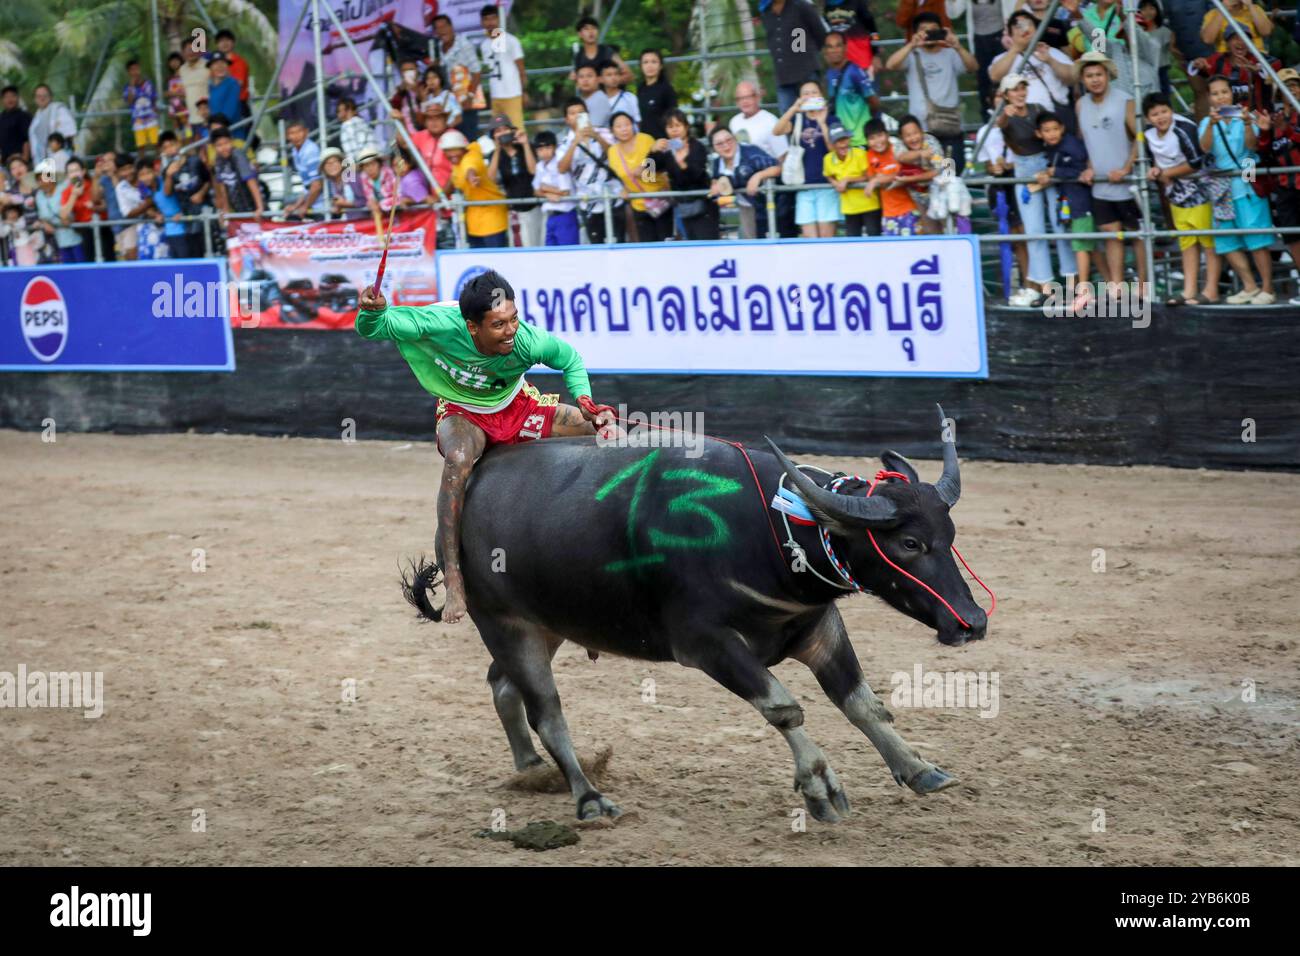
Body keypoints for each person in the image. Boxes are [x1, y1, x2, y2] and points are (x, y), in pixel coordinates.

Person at [354, 269, 614, 623]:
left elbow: (569, 359)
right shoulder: (437, 323)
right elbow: (374, 328)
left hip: (518, 407)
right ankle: (454, 577)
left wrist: (585, 400)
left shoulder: (527, 341)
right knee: (458, 459)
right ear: (472, 326)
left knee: (606, 432)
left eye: (514, 319)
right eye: (498, 325)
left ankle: (609, 566)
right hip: (463, 413)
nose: (510, 332)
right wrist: (371, 311)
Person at [997, 74, 1072, 305]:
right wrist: (1002, 114)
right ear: (1006, 95)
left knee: (1060, 223)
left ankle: (1072, 284)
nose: (1019, 93)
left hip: (1047, 165)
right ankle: (1047, 288)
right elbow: (998, 126)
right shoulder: (1004, 117)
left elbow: (1055, 131)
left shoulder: (1037, 107)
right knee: (1034, 230)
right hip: (1024, 170)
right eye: (1014, 90)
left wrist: (1053, 168)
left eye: (1022, 88)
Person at [1199, 75, 1275, 304]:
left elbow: (1252, 147)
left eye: (1224, 92)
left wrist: (1246, 124)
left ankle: (1268, 289)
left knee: (1256, 235)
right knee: (1226, 239)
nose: (1220, 97)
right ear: (1209, 98)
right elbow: (1205, 148)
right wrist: (1212, 125)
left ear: (1232, 94)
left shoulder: (1247, 116)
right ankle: (1250, 286)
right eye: (1215, 93)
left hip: (1246, 174)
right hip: (1221, 183)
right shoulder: (1206, 122)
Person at [1075, 52, 1146, 293]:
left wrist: (1127, 167)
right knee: (1111, 234)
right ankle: (1116, 285)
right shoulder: (1080, 104)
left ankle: (1144, 285)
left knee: (1137, 235)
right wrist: (1088, 168)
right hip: (1100, 183)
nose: (1095, 80)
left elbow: (1140, 136)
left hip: (1127, 181)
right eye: (1089, 75)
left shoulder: (1124, 99)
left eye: (1098, 74)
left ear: (1108, 75)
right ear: (1083, 79)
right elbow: (1086, 142)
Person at [1143, 92, 1220, 305]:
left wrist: (1168, 174)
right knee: (1186, 243)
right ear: (1148, 118)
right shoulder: (1147, 135)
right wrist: (1155, 171)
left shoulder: (1183, 129)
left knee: (1207, 242)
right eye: (1155, 114)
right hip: (1175, 196)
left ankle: (1211, 290)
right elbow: (1152, 162)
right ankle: (1189, 290)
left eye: (1164, 111)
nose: (1161, 117)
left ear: (1172, 111)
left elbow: (1196, 162)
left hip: (1199, 191)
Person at [884, 13, 977, 173]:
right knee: (928, 175)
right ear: (916, 33)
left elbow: (973, 67)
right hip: (921, 134)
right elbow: (890, 65)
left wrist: (957, 46)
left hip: (950, 130)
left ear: (942, 31)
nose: (929, 34)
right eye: (924, 31)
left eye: (934, 30)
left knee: (950, 174)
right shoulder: (912, 55)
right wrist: (911, 45)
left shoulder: (951, 53)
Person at [1035, 111, 1095, 309]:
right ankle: (1094, 288)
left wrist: (1055, 172)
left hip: (1080, 202)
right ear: (1039, 133)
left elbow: (1080, 171)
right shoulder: (1056, 148)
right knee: (1085, 246)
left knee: (1081, 245)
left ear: (1062, 129)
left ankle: (1084, 291)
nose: (1051, 134)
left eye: (1054, 129)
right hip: (1071, 202)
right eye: (1047, 130)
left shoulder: (1071, 146)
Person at [974, 101, 1031, 295]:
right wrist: (994, 167)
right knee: (1013, 239)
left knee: (1027, 234)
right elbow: (987, 166)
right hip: (999, 187)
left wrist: (1011, 167)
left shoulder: (1022, 124)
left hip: (1021, 182)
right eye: (997, 98)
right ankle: (1023, 286)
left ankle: (1034, 284)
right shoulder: (985, 131)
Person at [989, 12, 1075, 134]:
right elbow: (994, 76)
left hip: (1056, 119)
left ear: (1036, 29)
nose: (1024, 29)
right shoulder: (1003, 58)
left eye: (1028, 23)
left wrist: (1050, 60)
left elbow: (1072, 78)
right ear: (1010, 33)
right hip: (1025, 124)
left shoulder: (1051, 52)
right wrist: (1016, 48)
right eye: (1018, 26)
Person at [774, 81, 841, 237]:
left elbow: (833, 149)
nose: (810, 96)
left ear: (821, 96)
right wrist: (793, 109)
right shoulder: (797, 121)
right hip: (804, 187)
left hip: (827, 185)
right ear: (800, 98)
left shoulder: (832, 120)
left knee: (827, 239)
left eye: (814, 92)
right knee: (809, 240)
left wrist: (822, 122)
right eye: (806, 93)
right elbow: (776, 131)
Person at [1256, 69, 1300, 305]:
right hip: (1284, 188)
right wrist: (1264, 132)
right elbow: (1263, 153)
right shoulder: (1274, 118)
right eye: (1286, 85)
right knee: (1292, 237)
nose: (1291, 89)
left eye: (1295, 84)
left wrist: (1288, 129)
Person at [556, 98, 625, 244]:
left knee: (619, 244)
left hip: (613, 197)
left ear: (587, 114)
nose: (577, 116)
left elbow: (616, 155)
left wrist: (596, 136)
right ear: (567, 119)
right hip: (589, 203)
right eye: (572, 113)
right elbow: (562, 168)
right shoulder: (564, 143)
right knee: (597, 246)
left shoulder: (603, 132)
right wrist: (575, 142)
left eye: (581, 112)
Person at [729, 81, 793, 237]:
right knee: (751, 243)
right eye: (740, 98)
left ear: (757, 97)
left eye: (748, 96)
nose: (745, 101)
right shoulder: (734, 122)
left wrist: (761, 176)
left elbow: (783, 159)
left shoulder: (770, 121)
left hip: (770, 195)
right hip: (745, 196)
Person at [601, 111, 672, 242]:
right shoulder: (612, 152)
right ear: (612, 130)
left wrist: (642, 168)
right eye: (619, 126)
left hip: (659, 200)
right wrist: (623, 189)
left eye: (627, 124)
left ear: (633, 125)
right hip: (638, 204)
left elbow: (653, 173)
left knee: (666, 243)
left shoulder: (645, 139)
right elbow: (618, 178)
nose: (624, 129)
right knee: (647, 245)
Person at [657, 109, 719, 240]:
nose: (674, 130)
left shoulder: (698, 147)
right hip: (681, 208)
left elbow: (698, 176)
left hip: (703, 207)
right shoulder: (666, 150)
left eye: (678, 125)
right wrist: (652, 151)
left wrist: (683, 165)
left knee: (707, 246)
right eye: (670, 126)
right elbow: (647, 175)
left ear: (686, 126)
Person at [708, 126, 781, 239]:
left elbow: (778, 168)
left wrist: (758, 176)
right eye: (719, 143)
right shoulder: (717, 163)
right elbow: (716, 180)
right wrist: (715, 184)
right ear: (713, 148)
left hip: (772, 204)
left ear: (735, 139)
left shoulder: (751, 153)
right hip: (745, 206)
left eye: (729, 140)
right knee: (752, 245)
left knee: (774, 243)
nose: (726, 146)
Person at [761, 0, 828, 115]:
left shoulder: (802, 6)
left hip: (807, 74)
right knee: (788, 120)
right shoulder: (767, 12)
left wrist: (805, 55)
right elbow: (772, 42)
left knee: (814, 116)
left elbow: (821, 35)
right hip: (783, 78)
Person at [444, 129, 509, 247]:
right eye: (448, 150)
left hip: (492, 218)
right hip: (474, 222)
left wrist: (472, 177)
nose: (452, 153)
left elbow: (470, 168)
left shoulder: (471, 156)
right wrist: (439, 195)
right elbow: (453, 178)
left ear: (464, 149)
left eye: (456, 149)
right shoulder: (456, 164)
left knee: (496, 260)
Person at [1199, 29, 1283, 113]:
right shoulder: (1218, 60)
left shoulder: (1259, 58)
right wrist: (1197, 64)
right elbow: (1201, 66)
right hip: (1227, 116)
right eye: (1236, 38)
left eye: (1245, 38)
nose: (1240, 42)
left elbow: (1277, 64)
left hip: (1259, 117)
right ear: (1227, 43)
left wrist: (1258, 69)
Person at [487, 114, 541, 246]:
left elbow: (533, 171)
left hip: (533, 206)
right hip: (513, 210)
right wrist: (498, 149)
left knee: (535, 245)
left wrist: (526, 144)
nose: (502, 133)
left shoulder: (526, 148)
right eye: (498, 131)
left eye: (505, 129)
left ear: (512, 130)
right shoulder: (494, 155)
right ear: (493, 136)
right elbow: (491, 179)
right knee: (517, 246)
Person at [863, 117, 920, 236]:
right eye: (872, 138)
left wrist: (879, 179)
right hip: (888, 213)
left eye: (880, 135)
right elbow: (871, 177)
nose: (877, 141)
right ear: (867, 141)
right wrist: (876, 179)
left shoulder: (898, 149)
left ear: (887, 135)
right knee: (893, 251)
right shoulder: (869, 156)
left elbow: (904, 173)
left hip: (909, 209)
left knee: (913, 248)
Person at [432, 13, 483, 140]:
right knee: (452, 137)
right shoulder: (439, 47)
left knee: (468, 138)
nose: (442, 30)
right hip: (450, 101)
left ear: (451, 27)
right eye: (438, 28)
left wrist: (470, 97)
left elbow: (477, 72)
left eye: (444, 26)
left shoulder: (464, 45)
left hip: (466, 100)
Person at [822, 31, 878, 147]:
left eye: (838, 45)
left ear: (845, 47)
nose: (834, 50)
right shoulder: (828, 74)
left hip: (859, 139)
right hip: (840, 141)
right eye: (830, 46)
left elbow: (874, 102)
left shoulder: (855, 72)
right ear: (825, 51)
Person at [158, 130, 209, 254]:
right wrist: (169, 175)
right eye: (166, 148)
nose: (170, 149)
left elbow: (208, 180)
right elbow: (167, 193)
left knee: (210, 250)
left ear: (178, 143)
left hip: (205, 213)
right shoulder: (167, 171)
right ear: (163, 152)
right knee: (193, 256)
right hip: (186, 220)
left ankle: (212, 273)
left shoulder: (195, 161)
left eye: (172, 145)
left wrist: (201, 193)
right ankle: (187, 275)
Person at [823, 122, 878, 236]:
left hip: (869, 204)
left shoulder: (860, 154)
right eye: (838, 141)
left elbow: (868, 176)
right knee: (853, 243)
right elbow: (828, 175)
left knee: (874, 240)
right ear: (832, 144)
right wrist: (835, 183)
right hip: (849, 208)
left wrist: (848, 179)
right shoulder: (827, 159)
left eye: (845, 139)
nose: (843, 144)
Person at [479, 5, 527, 132]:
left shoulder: (512, 41)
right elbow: (489, 68)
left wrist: (524, 92)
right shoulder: (484, 45)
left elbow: (521, 69)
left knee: (517, 130)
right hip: (496, 95)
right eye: (486, 19)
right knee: (499, 132)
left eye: (493, 18)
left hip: (512, 94)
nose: (490, 23)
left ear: (499, 19)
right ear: (482, 22)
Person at [968, 1, 1019, 116]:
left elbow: (1014, 11)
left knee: (1004, 79)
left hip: (1000, 39)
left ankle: (1011, 114)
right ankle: (988, 118)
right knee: (983, 83)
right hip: (979, 41)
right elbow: (953, 13)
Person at [531, 130, 579, 246]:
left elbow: (565, 192)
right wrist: (547, 193)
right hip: (550, 216)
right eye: (540, 149)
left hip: (565, 215)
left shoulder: (560, 164)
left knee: (569, 254)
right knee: (551, 255)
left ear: (554, 147)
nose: (544, 152)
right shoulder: (539, 166)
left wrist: (545, 187)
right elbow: (536, 190)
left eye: (548, 148)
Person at [1168, 0, 1214, 118]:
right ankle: (1202, 131)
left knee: (1217, 90)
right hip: (1186, 51)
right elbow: (1168, 19)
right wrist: (1172, 43)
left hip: (1213, 49)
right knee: (1199, 93)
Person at [35, 161, 83, 263]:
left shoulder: (64, 188)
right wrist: (44, 224)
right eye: (39, 179)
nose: (42, 181)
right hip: (59, 240)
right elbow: (42, 216)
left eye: (44, 177)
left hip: (77, 234)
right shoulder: (39, 196)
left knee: (82, 267)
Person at [211, 128, 264, 220]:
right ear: (213, 147)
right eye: (219, 145)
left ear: (232, 141)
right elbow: (222, 186)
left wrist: (260, 207)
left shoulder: (238, 156)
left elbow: (251, 182)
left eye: (226, 143)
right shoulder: (218, 160)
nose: (224, 148)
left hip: (252, 204)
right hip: (238, 206)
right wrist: (226, 209)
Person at [571, 16, 632, 84]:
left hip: (608, 93)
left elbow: (629, 75)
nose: (591, 32)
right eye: (586, 29)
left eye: (594, 28)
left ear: (598, 32)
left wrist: (606, 80)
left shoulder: (607, 52)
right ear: (580, 34)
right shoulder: (579, 56)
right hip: (589, 94)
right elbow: (576, 79)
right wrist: (575, 78)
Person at [823, 0, 879, 74]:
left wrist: (875, 54)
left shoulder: (858, 3)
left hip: (861, 63)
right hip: (839, 66)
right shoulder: (827, 6)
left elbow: (873, 31)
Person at [59, 157, 97, 261]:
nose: (74, 174)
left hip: (100, 229)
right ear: (67, 175)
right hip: (83, 234)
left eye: (76, 170)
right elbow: (63, 216)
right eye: (71, 172)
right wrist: (74, 195)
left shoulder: (93, 185)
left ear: (83, 171)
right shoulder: (66, 192)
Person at [282, 120, 323, 217]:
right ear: (287, 136)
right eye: (292, 133)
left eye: (299, 131)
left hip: (322, 204)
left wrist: (305, 206)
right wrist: (296, 206)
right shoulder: (295, 151)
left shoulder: (310, 150)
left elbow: (317, 185)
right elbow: (307, 187)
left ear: (306, 132)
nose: (296, 136)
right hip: (315, 202)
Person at [28, 85, 77, 166]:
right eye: (39, 96)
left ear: (50, 96)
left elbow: (70, 134)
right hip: (42, 160)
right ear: (35, 99)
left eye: (45, 95)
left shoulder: (59, 110)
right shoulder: (36, 117)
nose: (42, 98)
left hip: (60, 157)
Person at [1200, 0, 1272, 53]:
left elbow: (1266, 32)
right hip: (1227, 61)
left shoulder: (1255, 9)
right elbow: (1207, 40)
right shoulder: (1213, 14)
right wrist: (1223, 10)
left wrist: (1250, 6)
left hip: (1256, 58)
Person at [636, 50, 677, 141]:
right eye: (645, 62)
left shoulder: (667, 89)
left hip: (663, 142)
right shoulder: (640, 88)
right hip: (645, 142)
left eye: (654, 62)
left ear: (661, 66)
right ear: (641, 66)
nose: (649, 66)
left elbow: (673, 118)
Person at [214, 29, 250, 118]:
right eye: (221, 41)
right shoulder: (214, 64)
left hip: (238, 104)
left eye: (227, 40)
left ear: (233, 43)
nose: (224, 43)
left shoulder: (239, 62)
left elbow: (238, 84)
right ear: (217, 45)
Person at [595, 61, 640, 130]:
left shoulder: (629, 97)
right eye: (609, 75)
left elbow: (637, 123)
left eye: (616, 74)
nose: (614, 78)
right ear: (600, 79)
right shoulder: (596, 101)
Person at [338, 97, 379, 164]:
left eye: (345, 110)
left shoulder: (349, 124)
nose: (340, 114)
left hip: (366, 160)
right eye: (338, 111)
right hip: (370, 158)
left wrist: (356, 164)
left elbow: (358, 147)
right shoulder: (360, 122)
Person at [390, 59, 427, 132]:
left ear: (417, 71)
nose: (408, 72)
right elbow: (394, 106)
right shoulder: (400, 90)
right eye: (405, 70)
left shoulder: (424, 85)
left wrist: (415, 88)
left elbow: (426, 104)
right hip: (406, 129)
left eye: (411, 69)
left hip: (422, 128)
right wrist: (401, 91)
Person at [178, 47, 210, 124]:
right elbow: (183, 93)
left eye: (193, 50)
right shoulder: (182, 69)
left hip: (208, 117)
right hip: (191, 119)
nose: (191, 52)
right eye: (188, 50)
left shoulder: (208, 65)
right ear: (183, 53)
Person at [0, 86, 32, 165]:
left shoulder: (24, 116)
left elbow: (27, 139)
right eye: (6, 97)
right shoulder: (1, 117)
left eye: (13, 96)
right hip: (4, 162)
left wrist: (25, 160)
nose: (10, 99)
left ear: (18, 98)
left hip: (20, 160)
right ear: (2, 100)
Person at [165, 53, 191, 141]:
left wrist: (175, 94)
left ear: (181, 62)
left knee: (186, 123)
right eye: (171, 61)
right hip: (173, 105)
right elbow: (168, 93)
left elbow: (188, 92)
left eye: (176, 61)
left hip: (183, 105)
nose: (174, 63)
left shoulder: (186, 75)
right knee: (176, 125)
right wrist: (168, 94)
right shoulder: (169, 78)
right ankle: (180, 142)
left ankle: (189, 143)